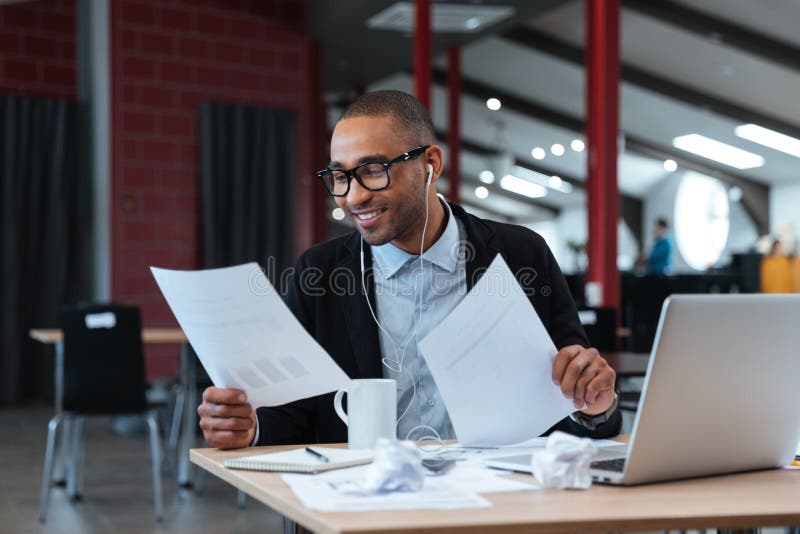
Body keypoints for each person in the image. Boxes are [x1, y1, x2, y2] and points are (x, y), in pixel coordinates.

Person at [198, 90, 621, 449]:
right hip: (367, 504)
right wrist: (250, 427)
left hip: (499, 502)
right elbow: (296, 416)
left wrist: (596, 404)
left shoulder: (520, 255)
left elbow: (578, 403)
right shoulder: (319, 272)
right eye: (340, 177)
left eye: (373, 171)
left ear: (430, 164)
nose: (353, 196)